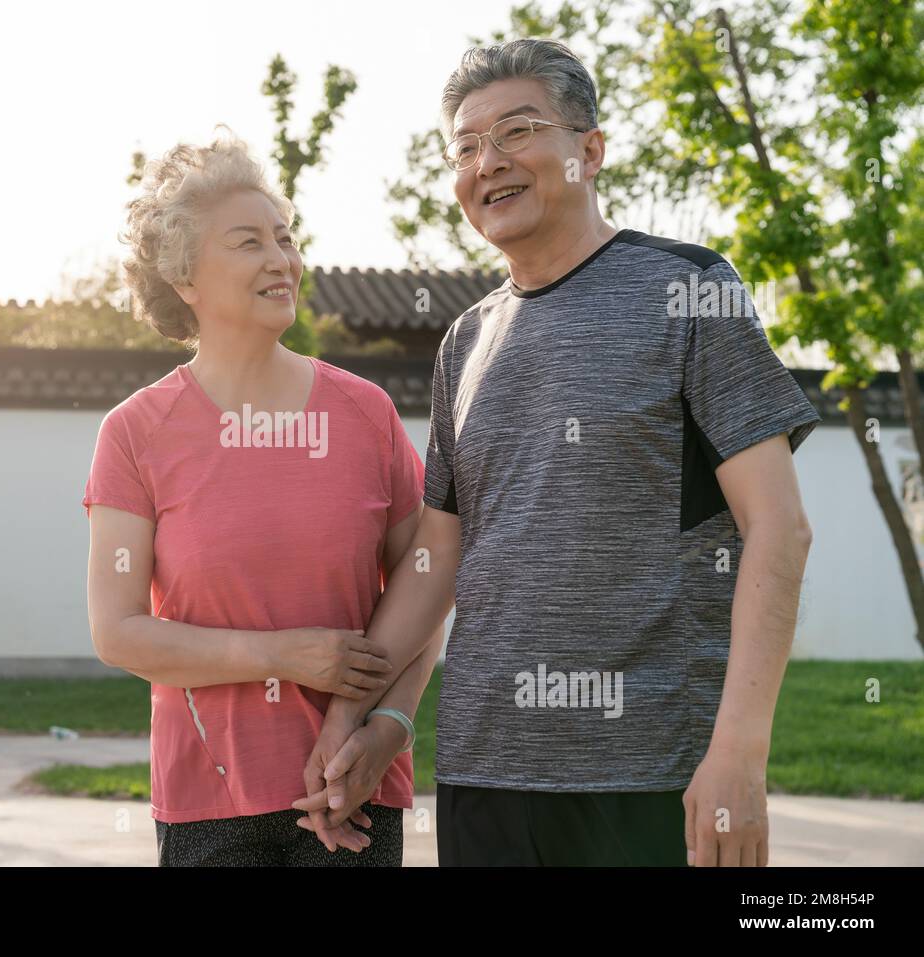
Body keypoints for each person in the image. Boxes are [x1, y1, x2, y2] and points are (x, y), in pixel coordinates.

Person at [294, 38, 821, 867]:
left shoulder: (689, 291)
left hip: (648, 775)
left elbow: (780, 528)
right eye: (465, 147)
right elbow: (436, 560)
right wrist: (353, 719)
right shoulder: (464, 342)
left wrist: (740, 754)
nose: (487, 162)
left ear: (590, 149)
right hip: (484, 776)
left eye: (517, 131)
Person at [83, 133, 443, 866]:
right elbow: (118, 629)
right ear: (185, 279)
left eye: (284, 238)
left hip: (354, 790)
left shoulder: (365, 413)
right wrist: (285, 655)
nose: (281, 259)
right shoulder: (134, 433)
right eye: (248, 243)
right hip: (209, 805)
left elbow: (428, 583)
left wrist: (389, 728)